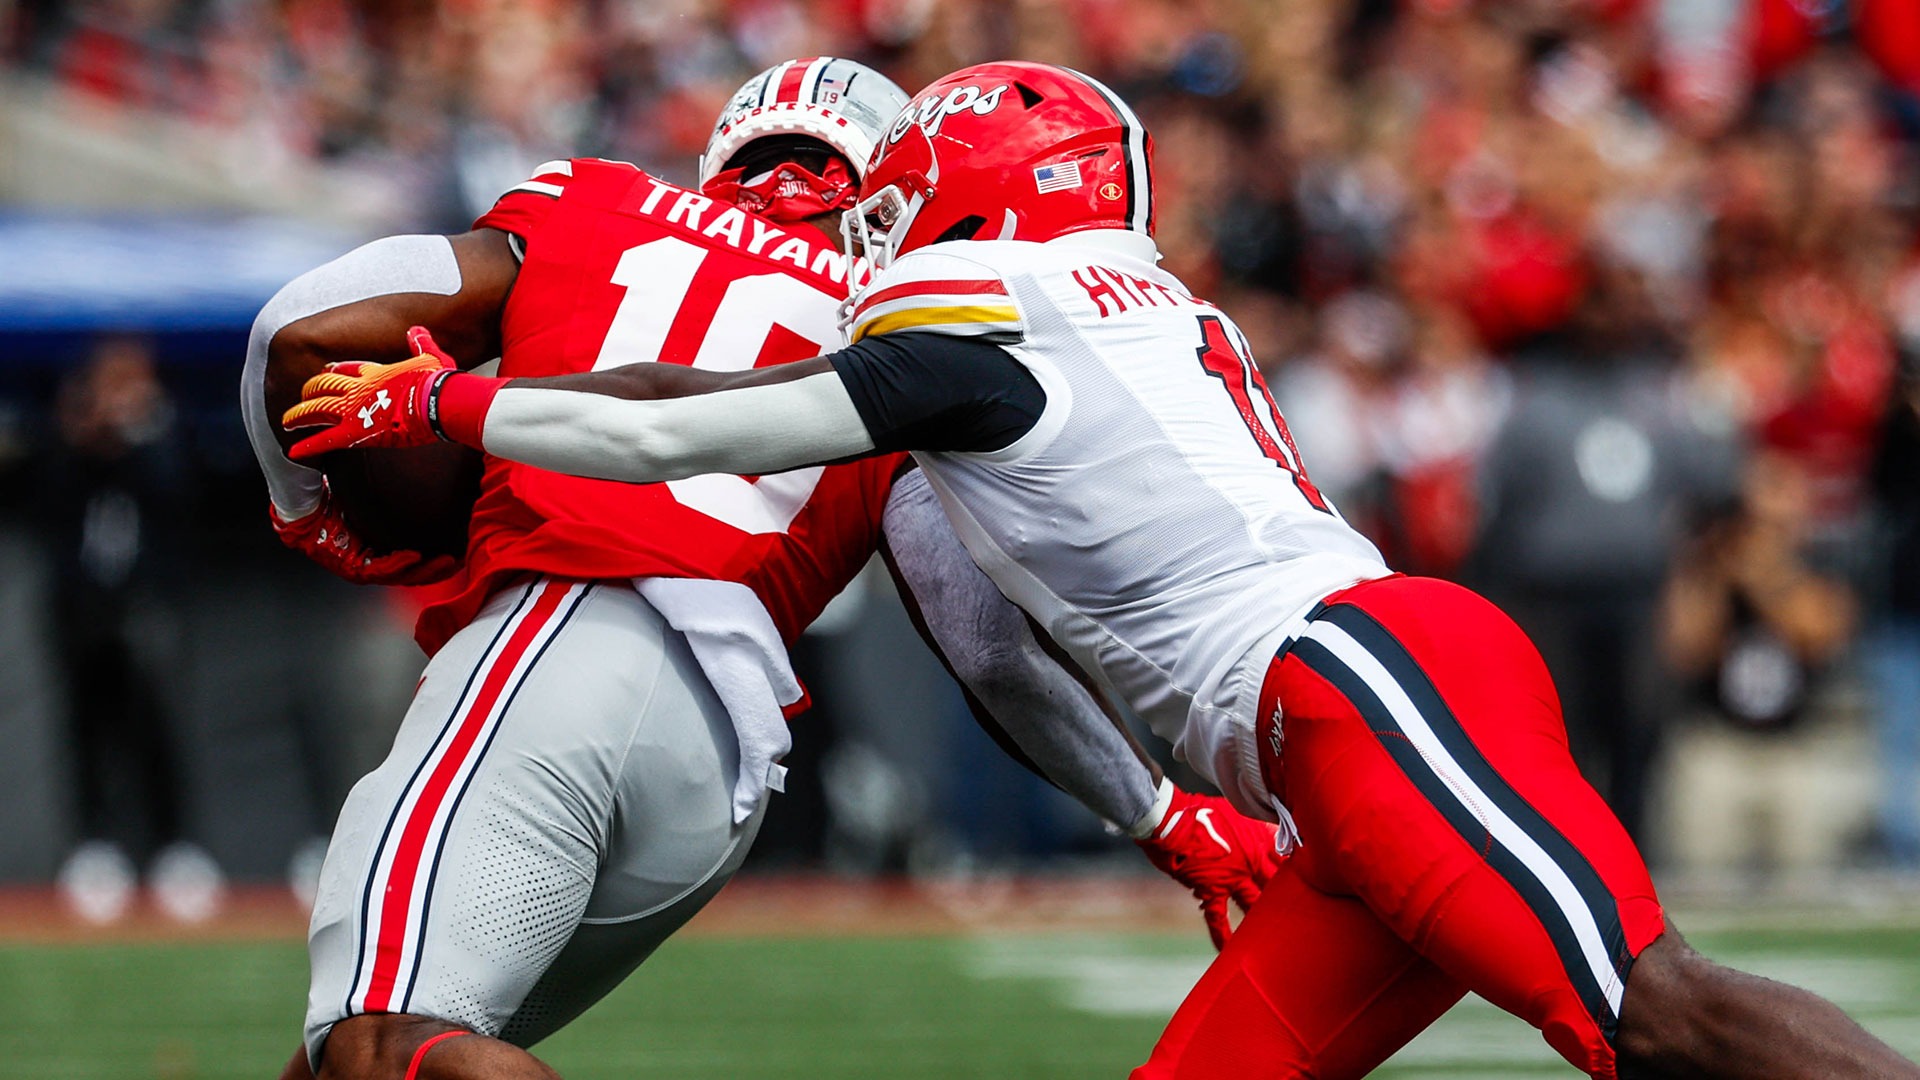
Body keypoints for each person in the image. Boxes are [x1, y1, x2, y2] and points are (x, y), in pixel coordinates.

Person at [285, 60, 1920, 1080]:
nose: (880, 230)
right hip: (1331, 744)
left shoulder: (980, 315)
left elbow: (689, 422)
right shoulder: (1136, 306)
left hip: (1357, 687)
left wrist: (451, 402)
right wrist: (1174, 817)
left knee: (1652, 1013)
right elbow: (990, 630)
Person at [246, 58, 1277, 1080]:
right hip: (724, 768)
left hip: (566, 648)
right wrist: (1160, 812)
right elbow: (989, 650)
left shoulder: (592, 203)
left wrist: (312, 513)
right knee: (367, 1061)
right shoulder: (905, 331)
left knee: (378, 1044)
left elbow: (301, 325)